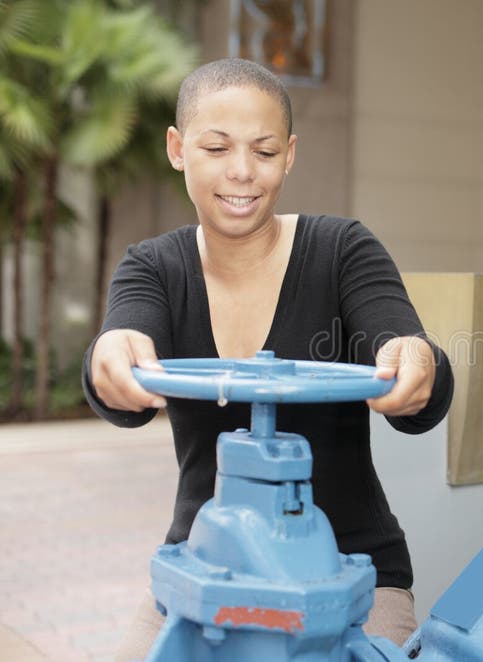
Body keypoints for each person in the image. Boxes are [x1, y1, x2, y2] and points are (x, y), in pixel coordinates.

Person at [82, 58, 453, 659]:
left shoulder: (343, 249)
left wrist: (415, 361)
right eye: (216, 147)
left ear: (290, 154)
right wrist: (111, 359)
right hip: (206, 570)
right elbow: (124, 345)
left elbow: (404, 348)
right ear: (177, 148)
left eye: (264, 150)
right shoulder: (152, 267)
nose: (242, 171)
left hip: (352, 572)